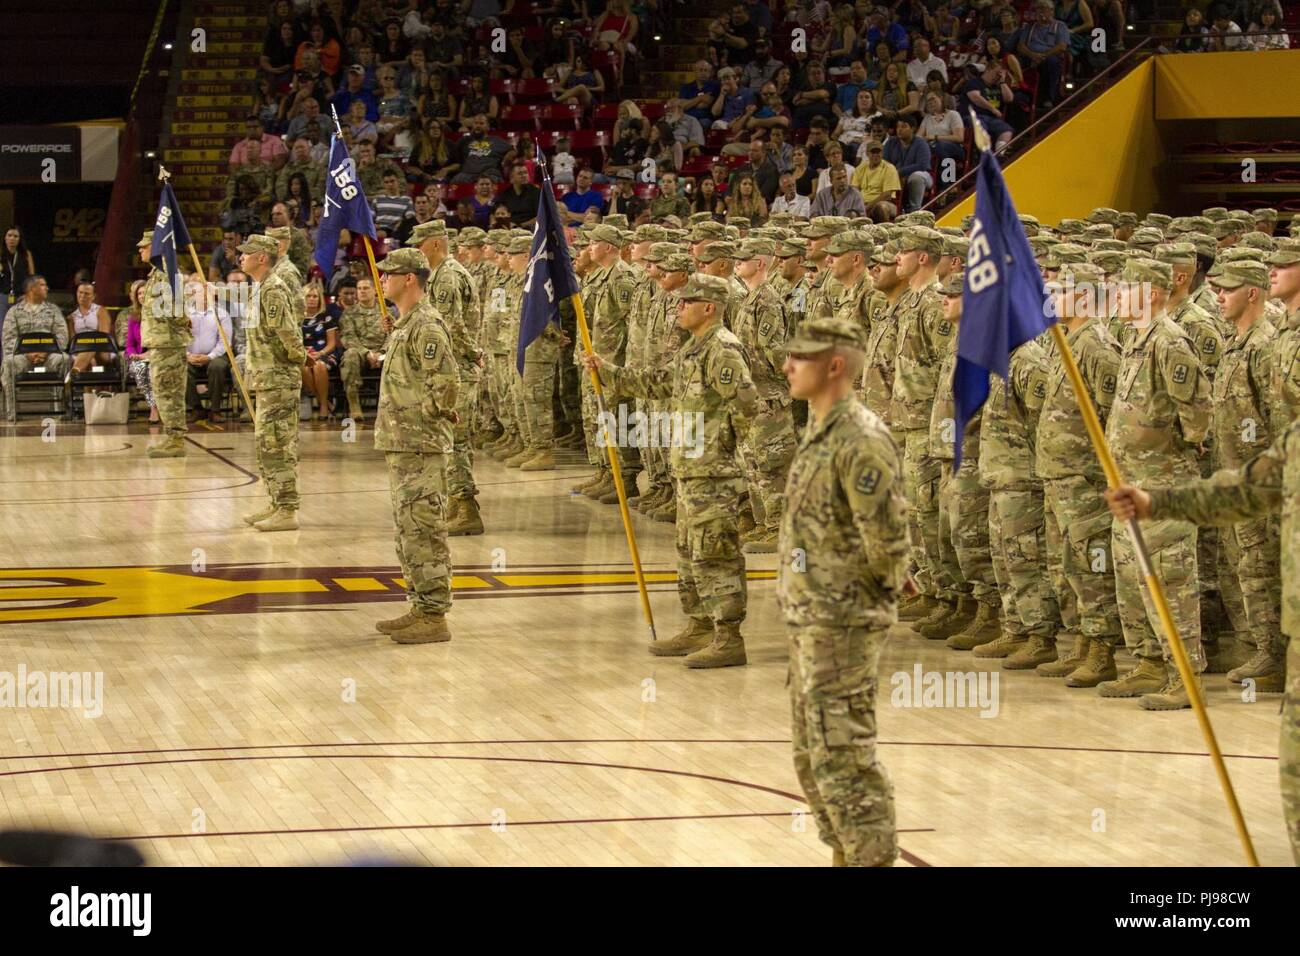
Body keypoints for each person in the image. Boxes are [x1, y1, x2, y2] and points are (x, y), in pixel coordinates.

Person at [779, 315, 909, 867]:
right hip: (810, 618)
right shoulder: (819, 427)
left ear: (834, 366)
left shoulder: (861, 439)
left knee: (845, 758)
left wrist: (857, 607)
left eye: (800, 358)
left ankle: (870, 861)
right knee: (813, 757)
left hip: (843, 621)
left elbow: (887, 541)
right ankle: (846, 855)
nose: (787, 366)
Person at [581, 273, 758, 666]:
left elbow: (748, 404)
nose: (679, 308)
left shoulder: (723, 349)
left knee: (716, 552)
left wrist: (721, 445)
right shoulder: (694, 349)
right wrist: (606, 370)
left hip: (713, 472)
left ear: (709, 307)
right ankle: (699, 624)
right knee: (688, 551)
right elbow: (657, 382)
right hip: (689, 470)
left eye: (686, 302)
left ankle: (728, 637)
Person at [1099, 258, 1212, 709]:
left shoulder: (1169, 342)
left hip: (1161, 486)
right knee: (1132, 579)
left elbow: (1199, 410)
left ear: (1149, 294)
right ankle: (1148, 662)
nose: (1117, 297)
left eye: (1125, 290)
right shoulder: (1135, 338)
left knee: (1169, 583)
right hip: (1129, 484)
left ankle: (1186, 676)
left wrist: (1179, 453)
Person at [1033, 263, 1124, 685]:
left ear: (1085, 298)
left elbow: (1111, 415)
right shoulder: (1068, 339)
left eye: (1061, 292)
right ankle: (1083, 644)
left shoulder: (1098, 346)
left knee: (1091, 565)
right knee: (1069, 564)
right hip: (1060, 474)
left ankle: (1102, 650)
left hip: (1085, 477)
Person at [371, 247, 460, 644]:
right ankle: (420, 604)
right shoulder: (406, 324)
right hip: (403, 443)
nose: (383, 279)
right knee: (408, 529)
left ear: (410, 278)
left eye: (390, 273)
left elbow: (446, 382)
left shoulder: (426, 325)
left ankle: (435, 615)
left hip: (420, 443)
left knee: (424, 528)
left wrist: (427, 418)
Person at [409, 219, 485, 534]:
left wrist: (472, 353)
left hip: (457, 368)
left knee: (456, 439)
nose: (416, 248)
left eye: (420, 243)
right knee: (450, 438)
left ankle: (467, 509)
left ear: (436, 243)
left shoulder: (447, 277)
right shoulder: (439, 275)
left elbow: (450, 324)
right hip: (452, 366)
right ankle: (456, 503)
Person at [238, 234, 306, 531]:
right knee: (266, 443)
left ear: (262, 258)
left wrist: (298, 358)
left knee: (278, 443)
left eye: (247, 253)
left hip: (278, 378)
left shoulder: (273, 289)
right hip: (266, 377)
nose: (241, 257)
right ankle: (277, 501)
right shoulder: (260, 288)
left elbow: (287, 332)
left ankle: (288, 509)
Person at [731, 238, 796, 551]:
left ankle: (779, 527)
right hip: (752, 393)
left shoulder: (767, 300)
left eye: (744, 259)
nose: (737, 263)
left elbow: (774, 351)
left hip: (768, 393)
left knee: (771, 463)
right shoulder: (750, 297)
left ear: (760, 263)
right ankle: (763, 523)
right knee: (754, 462)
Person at [1, 274, 66, 422]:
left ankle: (62, 410)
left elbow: (62, 336)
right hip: (23, 357)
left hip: (49, 355)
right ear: (32, 289)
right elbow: (8, 339)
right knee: (8, 363)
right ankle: (12, 412)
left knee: (64, 359)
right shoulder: (14, 312)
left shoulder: (53, 310)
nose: (47, 288)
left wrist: (45, 351)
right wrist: (28, 354)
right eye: (43, 285)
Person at [338, 276, 391, 423]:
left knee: (399, 355)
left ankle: (393, 406)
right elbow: (348, 338)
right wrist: (367, 353)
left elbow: (393, 335)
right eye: (359, 288)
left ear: (375, 291)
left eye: (366, 288)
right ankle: (354, 404)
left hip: (384, 352)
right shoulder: (349, 313)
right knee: (349, 356)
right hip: (360, 353)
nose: (362, 291)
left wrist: (381, 353)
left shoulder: (386, 311)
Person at [1017, 0, 1070, 111]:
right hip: (1030, 57)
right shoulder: (1030, 27)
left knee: (1052, 63)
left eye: (1043, 8)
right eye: (1037, 8)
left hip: (1050, 56)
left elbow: (1062, 46)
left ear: (1051, 11)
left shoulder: (1060, 26)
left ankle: (1048, 98)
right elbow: (1021, 46)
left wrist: (1043, 56)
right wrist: (1033, 55)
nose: (1040, 11)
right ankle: (1022, 97)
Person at [300, 282, 339, 421]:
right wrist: (306, 353)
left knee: (319, 366)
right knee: (304, 367)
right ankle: (324, 402)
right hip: (303, 354)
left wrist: (320, 353)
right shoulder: (296, 318)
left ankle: (323, 406)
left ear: (320, 299)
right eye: (308, 296)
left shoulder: (326, 316)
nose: (312, 299)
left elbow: (332, 344)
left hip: (325, 353)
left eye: (315, 296)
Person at [882, 112, 932, 213]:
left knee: (916, 176)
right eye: (898, 127)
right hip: (895, 177)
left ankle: (915, 210)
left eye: (904, 126)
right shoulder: (890, 143)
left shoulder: (921, 143)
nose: (899, 129)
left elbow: (922, 165)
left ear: (913, 129)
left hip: (922, 176)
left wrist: (899, 172)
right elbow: (884, 163)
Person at [447, 113, 515, 184]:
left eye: (481, 123)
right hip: (467, 174)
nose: (478, 126)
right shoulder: (464, 140)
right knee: (456, 180)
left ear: (488, 126)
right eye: (476, 123)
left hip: (489, 174)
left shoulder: (496, 140)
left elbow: (513, 151)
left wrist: (508, 156)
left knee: (491, 180)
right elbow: (451, 152)